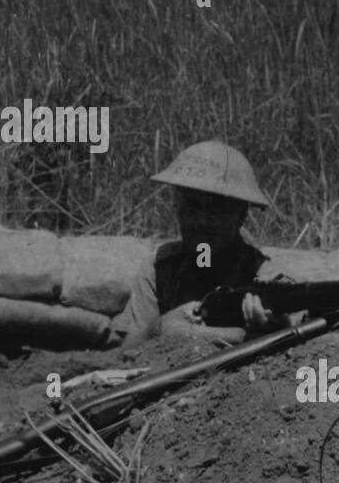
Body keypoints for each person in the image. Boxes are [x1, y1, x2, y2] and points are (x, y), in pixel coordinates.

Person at [111, 140, 279, 348]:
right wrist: (161, 328)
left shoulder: (262, 276)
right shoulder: (160, 269)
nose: (202, 221)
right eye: (192, 205)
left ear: (241, 215)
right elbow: (129, 354)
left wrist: (265, 328)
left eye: (216, 208)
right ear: (177, 207)